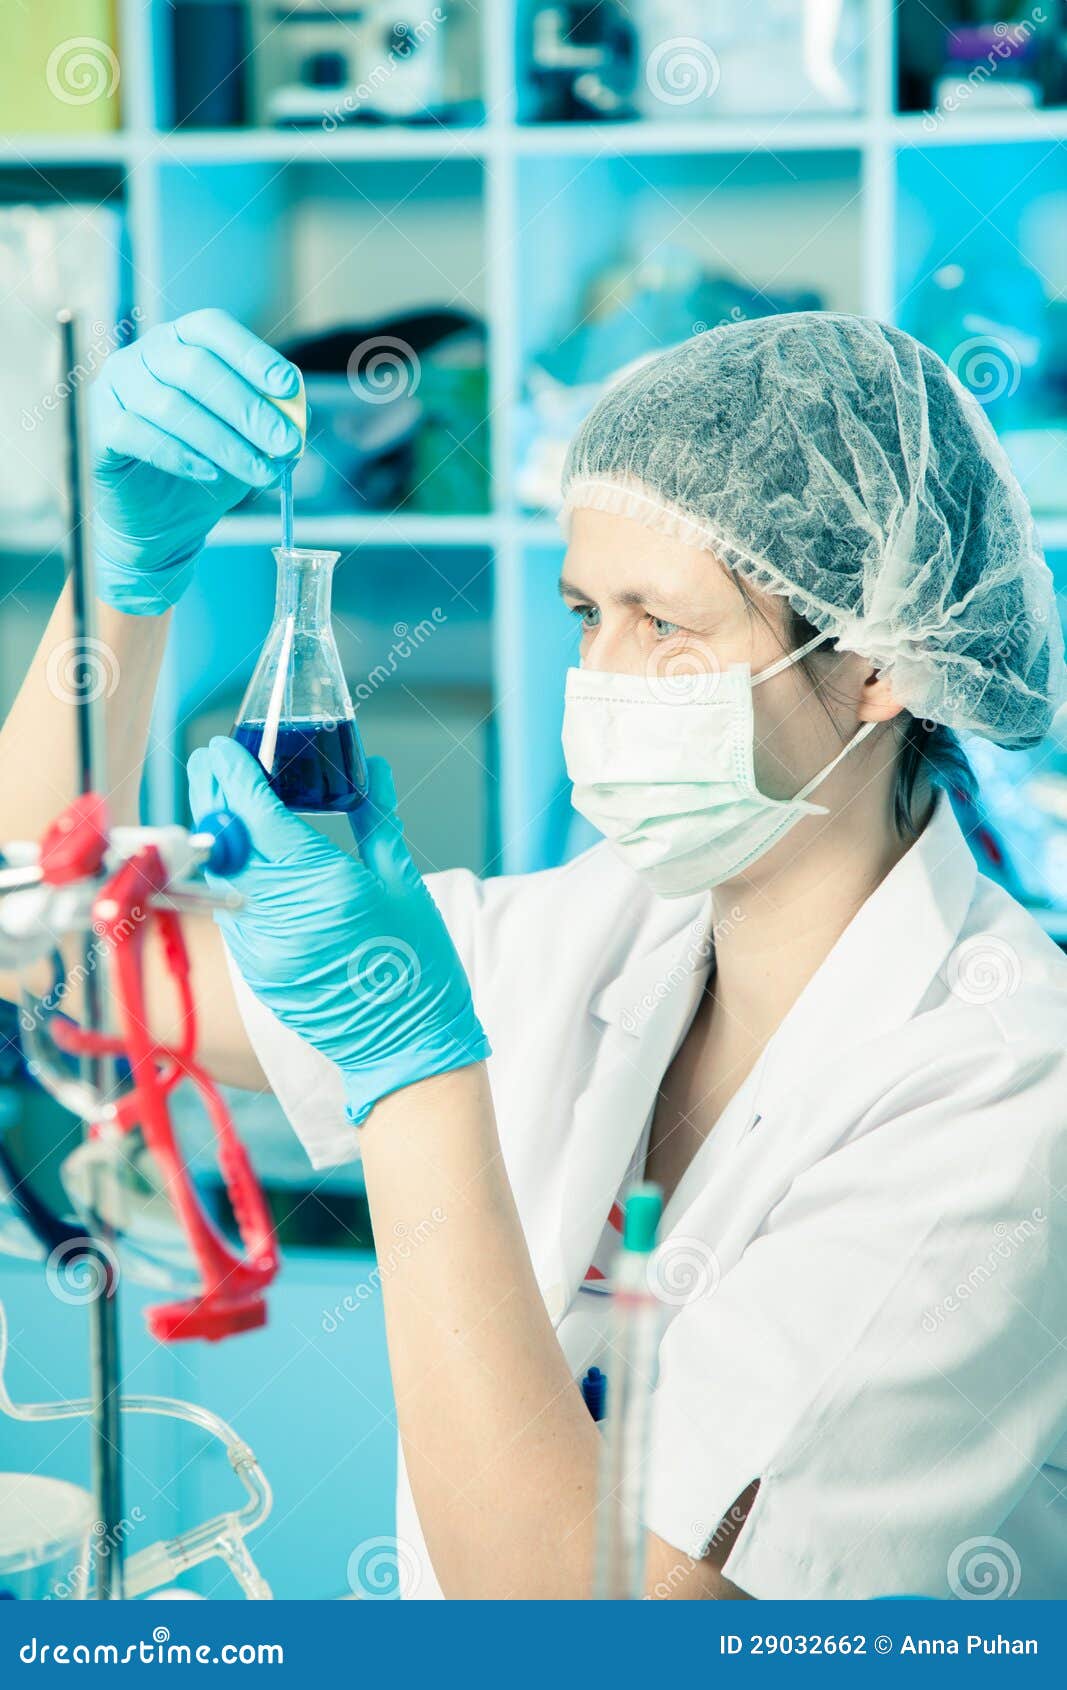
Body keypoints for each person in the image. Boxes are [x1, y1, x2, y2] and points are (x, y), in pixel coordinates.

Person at [1, 308, 1065, 1601]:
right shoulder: (597, 927)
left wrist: (412, 1069)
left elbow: (589, 1627)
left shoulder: (1008, 1093)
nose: (600, 675)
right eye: (583, 612)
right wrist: (120, 589)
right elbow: (48, 948)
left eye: (663, 623)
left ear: (879, 664)